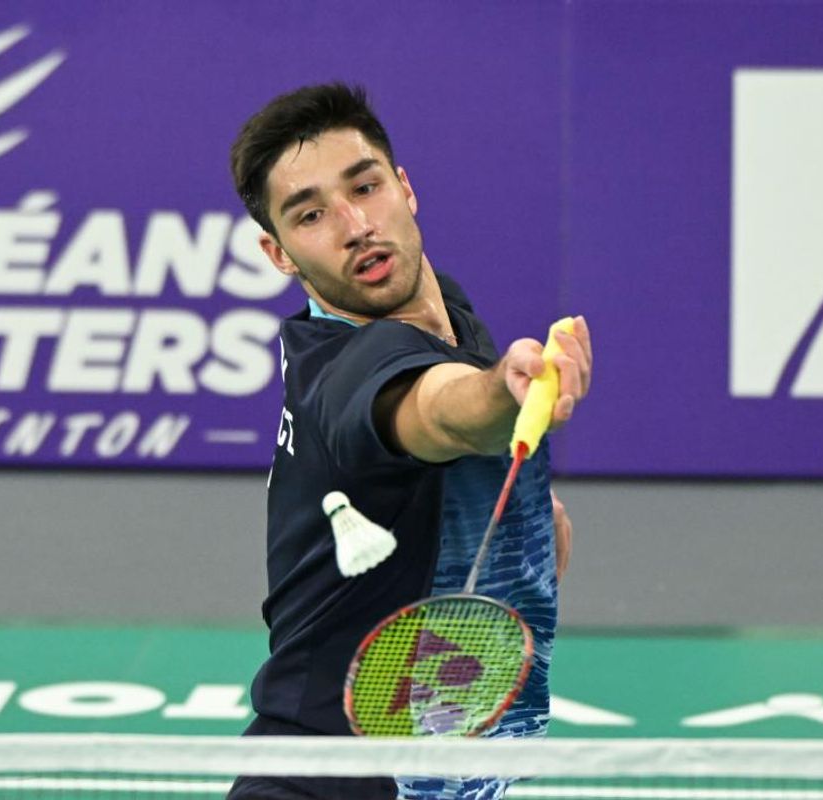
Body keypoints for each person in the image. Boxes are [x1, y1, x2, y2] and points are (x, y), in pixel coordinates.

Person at [226, 84, 592, 800]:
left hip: (419, 769)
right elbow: (441, 410)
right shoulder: (346, 370)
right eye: (310, 215)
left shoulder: (448, 311)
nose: (356, 225)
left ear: (405, 187)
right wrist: (502, 391)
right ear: (279, 253)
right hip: (326, 780)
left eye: (365, 187)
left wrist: (520, 533)